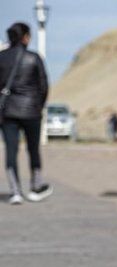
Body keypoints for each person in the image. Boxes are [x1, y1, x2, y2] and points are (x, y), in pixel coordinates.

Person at [0, 22, 52, 205]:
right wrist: (39, 106)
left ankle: (15, 192)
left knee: (11, 151)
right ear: (26, 37)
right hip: (32, 112)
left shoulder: (1, 57)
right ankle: (36, 187)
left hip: (8, 114)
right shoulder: (34, 57)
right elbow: (44, 86)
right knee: (33, 149)